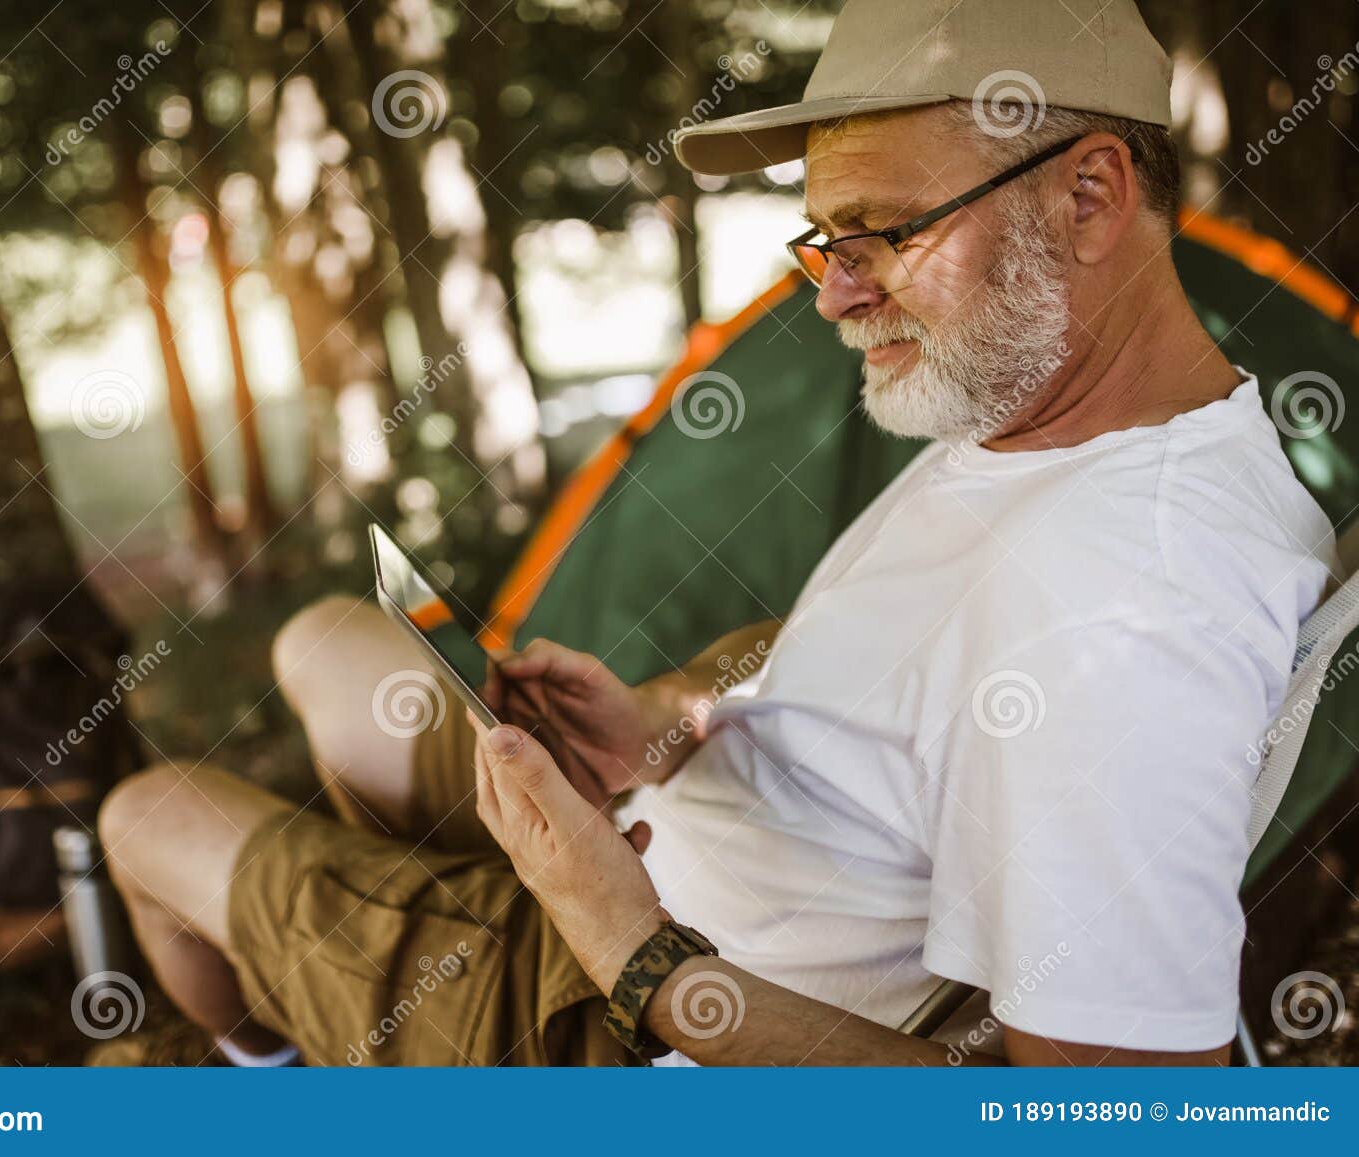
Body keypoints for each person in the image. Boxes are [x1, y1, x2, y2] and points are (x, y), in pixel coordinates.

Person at [100, 0, 1336, 1066]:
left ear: (1088, 196)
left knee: (145, 816)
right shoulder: (1040, 413)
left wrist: (638, 955)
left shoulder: (1125, 611)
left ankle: (291, 1071)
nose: (835, 292)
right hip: (657, 845)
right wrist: (671, 719)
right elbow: (868, 665)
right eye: (823, 239)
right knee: (326, 642)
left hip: (616, 1021)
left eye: (884, 232)